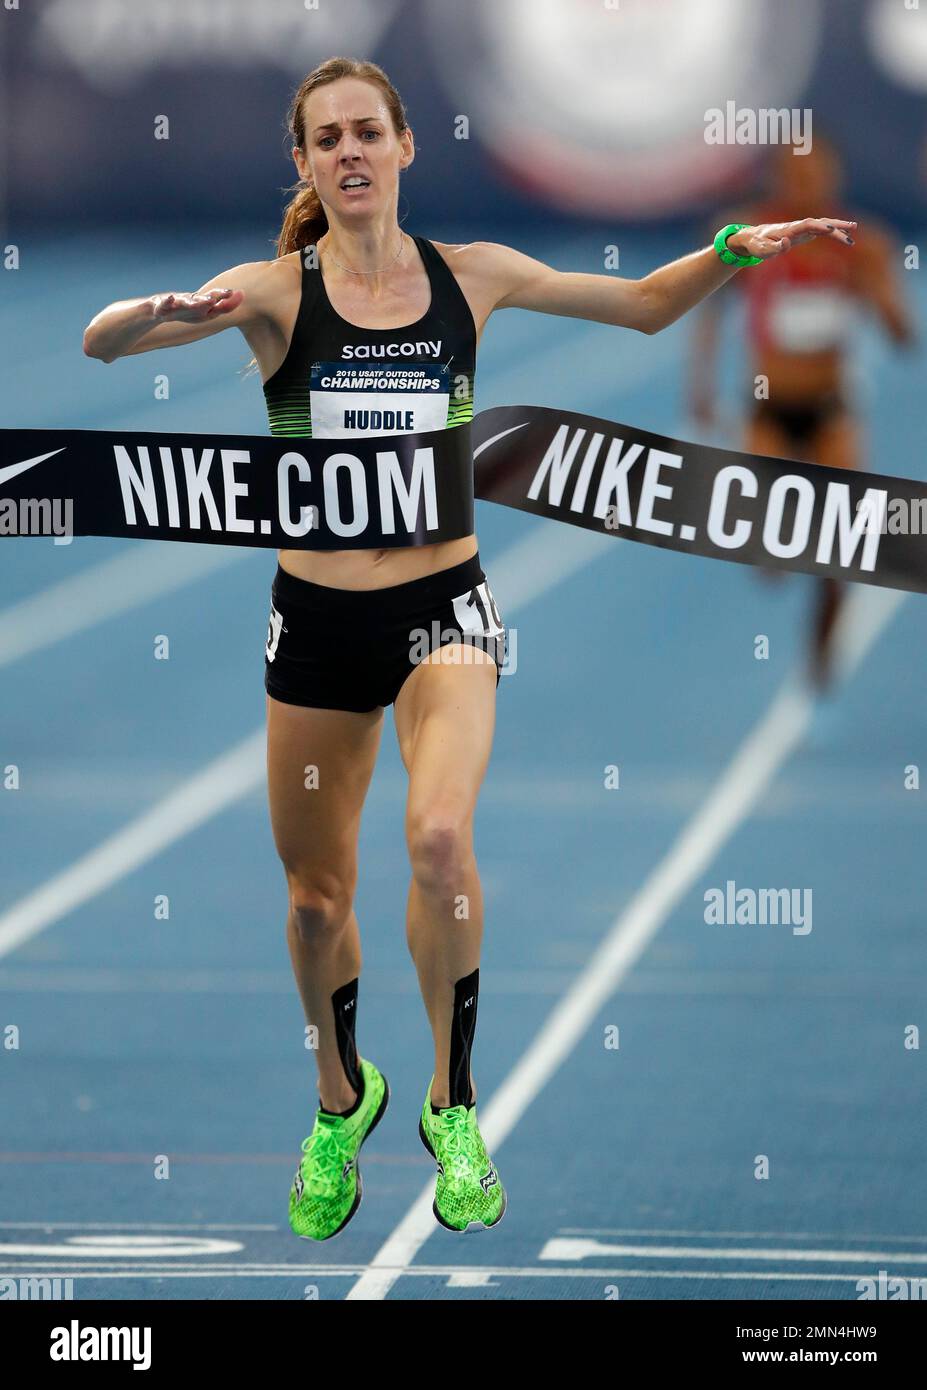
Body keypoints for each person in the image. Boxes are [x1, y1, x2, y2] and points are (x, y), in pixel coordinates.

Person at [82, 57, 856, 1240]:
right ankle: (343, 1099)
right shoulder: (275, 294)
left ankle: (452, 1101)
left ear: (403, 149)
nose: (348, 153)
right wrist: (161, 317)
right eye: (326, 138)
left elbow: (643, 303)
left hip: (445, 609)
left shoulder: (474, 278)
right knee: (312, 897)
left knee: (439, 838)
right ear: (304, 164)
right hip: (318, 626)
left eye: (366, 133)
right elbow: (97, 347)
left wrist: (735, 249)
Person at [690, 135, 916, 686]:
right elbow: (707, 307)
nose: (806, 184)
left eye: (816, 173)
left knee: (842, 551)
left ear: (834, 177)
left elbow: (903, 337)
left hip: (832, 408)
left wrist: (876, 293)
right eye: (795, 172)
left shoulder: (865, 245)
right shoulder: (748, 234)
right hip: (767, 406)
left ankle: (822, 646)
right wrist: (701, 388)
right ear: (777, 176)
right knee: (768, 548)